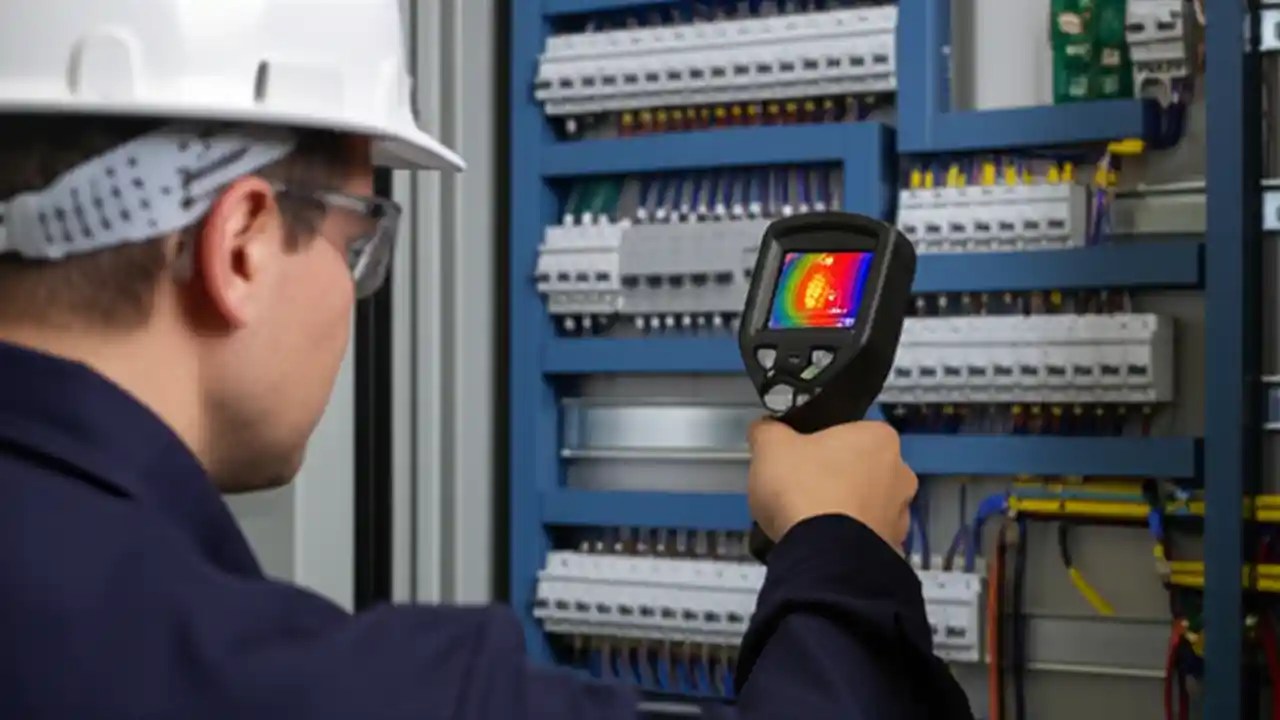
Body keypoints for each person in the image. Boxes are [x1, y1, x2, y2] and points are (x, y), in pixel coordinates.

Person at [0, 2, 975, 718]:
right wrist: (838, 550)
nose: (353, 287)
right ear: (244, 245)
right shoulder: (332, 693)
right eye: (356, 243)